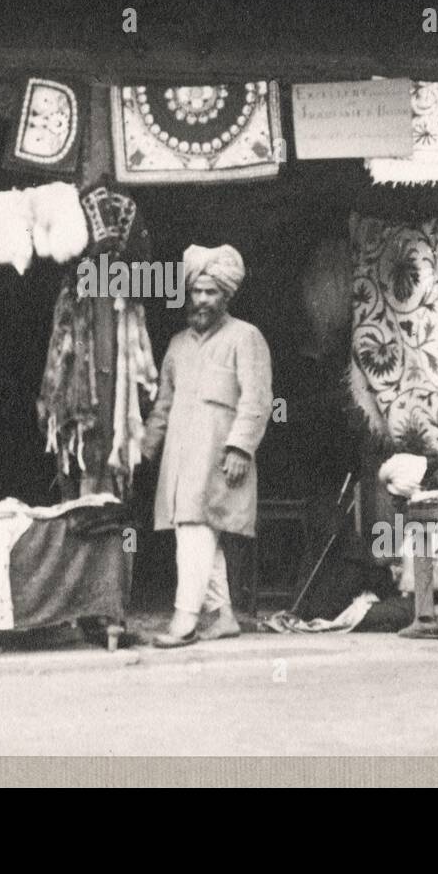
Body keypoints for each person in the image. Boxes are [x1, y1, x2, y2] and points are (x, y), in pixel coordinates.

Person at [141, 244, 273, 648]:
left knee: (195, 534)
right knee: (198, 532)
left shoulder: (245, 337)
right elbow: (162, 405)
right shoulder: (178, 345)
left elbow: (257, 399)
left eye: (210, 292)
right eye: (195, 291)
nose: (200, 300)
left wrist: (240, 448)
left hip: (219, 461)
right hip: (180, 465)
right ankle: (224, 616)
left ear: (226, 295)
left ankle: (184, 620)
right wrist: (143, 450)